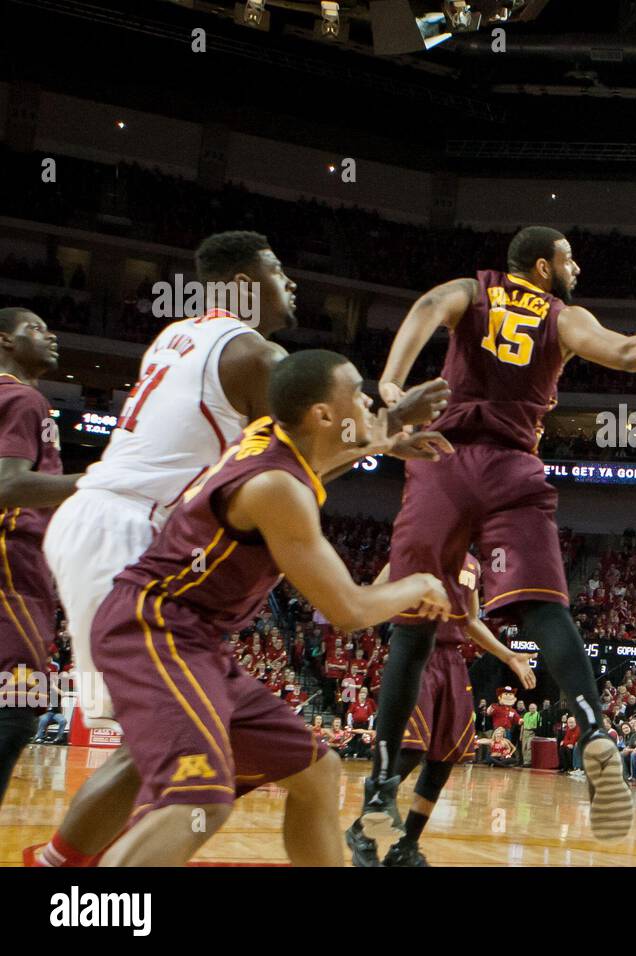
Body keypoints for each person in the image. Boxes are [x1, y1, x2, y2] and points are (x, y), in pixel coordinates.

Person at [27, 232, 448, 868]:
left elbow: (312, 441)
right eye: (278, 270)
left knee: (303, 767)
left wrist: (382, 437)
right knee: (191, 788)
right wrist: (387, 429)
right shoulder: (257, 359)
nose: (293, 283)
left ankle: (65, 865)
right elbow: (314, 431)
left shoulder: (184, 338)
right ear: (245, 283)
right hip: (137, 557)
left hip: (126, 542)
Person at [364, 225, 636, 842]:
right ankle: (596, 732)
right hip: (514, 468)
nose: (577, 268)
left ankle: (376, 788)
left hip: (444, 458)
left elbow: (426, 307)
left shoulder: (472, 291)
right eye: (568, 259)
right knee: (547, 612)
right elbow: (631, 353)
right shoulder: (564, 317)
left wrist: (391, 385)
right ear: (541, 265)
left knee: (415, 625)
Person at [91, 350, 451, 865]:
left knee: (317, 772)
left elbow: (323, 454)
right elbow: (348, 609)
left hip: (196, 638)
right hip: (154, 627)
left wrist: (389, 434)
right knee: (198, 803)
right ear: (324, 414)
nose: (368, 399)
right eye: (357, 391)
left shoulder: (270, 433)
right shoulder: (277, 489)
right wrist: (417, 583)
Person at [347, 552, 535, 867]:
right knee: (410, 750)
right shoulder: (413, 549)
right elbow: (371, 598)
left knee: (444, 758)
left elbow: (471, 620)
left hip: (452, 661)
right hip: (415, 651)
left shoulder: (473, 565)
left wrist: (509, 656)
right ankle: (364, 830)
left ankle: (406, 846)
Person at [0, 307, 78, 808]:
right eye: (35, 328)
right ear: (4, 340)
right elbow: (7, 486)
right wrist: (102, 480)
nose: (50, 334)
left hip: (23, 570)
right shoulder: (22, 397)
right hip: (11, 568)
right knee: (16, 704)